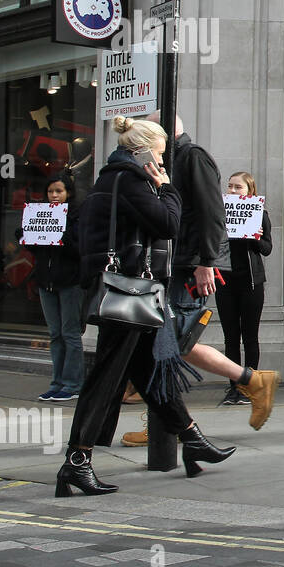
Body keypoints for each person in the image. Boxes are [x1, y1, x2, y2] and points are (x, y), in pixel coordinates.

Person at [57, 117, 235, 495]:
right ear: (142, 153)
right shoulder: (130, 181)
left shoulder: (109, 178)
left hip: (126, 293)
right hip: (129, 295)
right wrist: (168, 189)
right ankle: (76, 460)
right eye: (158, 154)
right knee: (105, 379)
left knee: (150, 370)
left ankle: (192, 439)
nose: (161, 162)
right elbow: (169, 224)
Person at [121, 116, 279, 445]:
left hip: (187, 267)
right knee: (175, 343)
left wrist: (207, 262)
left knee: (169, 343)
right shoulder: (175, 160)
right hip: (173, 265)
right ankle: (248, 382)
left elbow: (212, 212)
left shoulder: (193, 157)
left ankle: (170, 427)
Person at [214, 171, 272, 405]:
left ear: (250, 191)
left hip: (250, 283)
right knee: (230, 338)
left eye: (238, 187)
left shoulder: (260, 215)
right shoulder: (221, 214)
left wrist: (254, 238)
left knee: (250, 337)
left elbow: (267, 248)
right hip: (226, 282)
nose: (233, 191)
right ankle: (233, 387)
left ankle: (249, 387)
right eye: (230, 187)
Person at [26, 174, 85, 402]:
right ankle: (57, 382)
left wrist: (61, 235)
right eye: (51, 192)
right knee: (55, 334)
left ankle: (72, 384)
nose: (54, 196)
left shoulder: (77, 216)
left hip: (69, 282)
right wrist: (27, 234)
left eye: (58, 191)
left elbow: (79, 249)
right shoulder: (40, 212)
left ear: (68, 193)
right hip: (46, 282)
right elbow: (37, 250)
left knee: (69, 333)